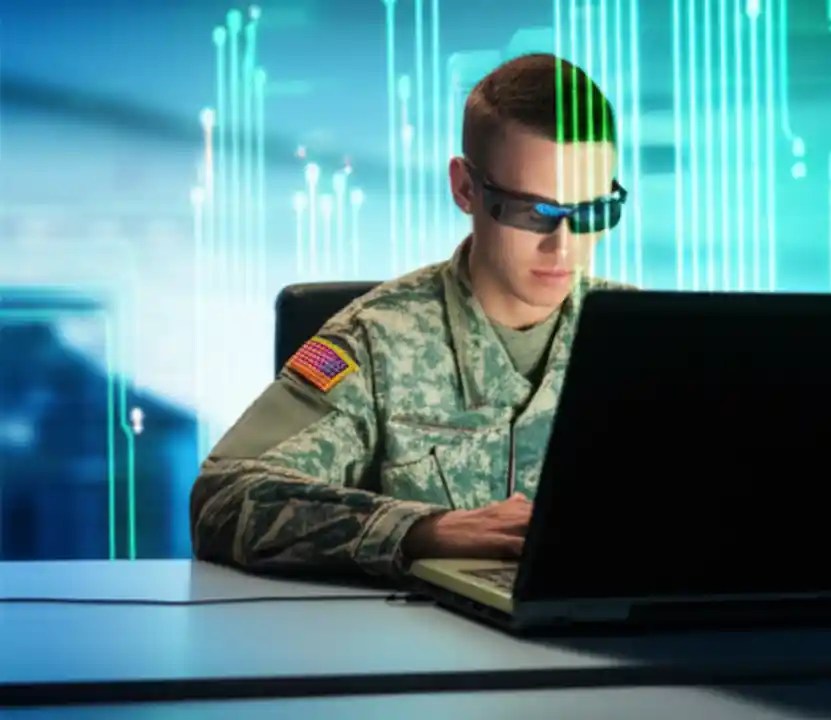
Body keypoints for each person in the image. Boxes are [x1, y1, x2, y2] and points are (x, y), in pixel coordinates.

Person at [189, 53, 633, 584]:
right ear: (466, 188)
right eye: (533, 212)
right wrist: (421, 531)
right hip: (420, 653)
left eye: (592, 213)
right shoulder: (378, 343)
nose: (563, 246)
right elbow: (222, 498)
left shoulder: (643, 340)